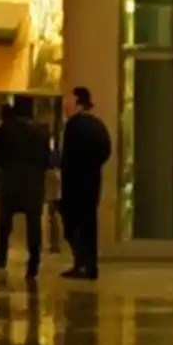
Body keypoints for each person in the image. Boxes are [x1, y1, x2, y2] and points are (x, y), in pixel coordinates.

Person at [0, 96, 52, 279]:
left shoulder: (6, 130)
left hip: (11, 179)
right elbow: (47, 158)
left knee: (5, 222)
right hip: (33, 182)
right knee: (33, 223)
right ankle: (33, 261)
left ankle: (1, 256)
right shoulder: (40, 131)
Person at [59, 86, 111, 280]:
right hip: (92, 181)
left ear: (79, 103)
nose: (66, 105)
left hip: (74, 183)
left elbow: (68, 157)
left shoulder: (74, 126)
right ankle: (89, 264)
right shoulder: (98, 126)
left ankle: (81, 263)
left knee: (74, 224)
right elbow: (106, 151)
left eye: (69, 102)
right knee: (89, 223)